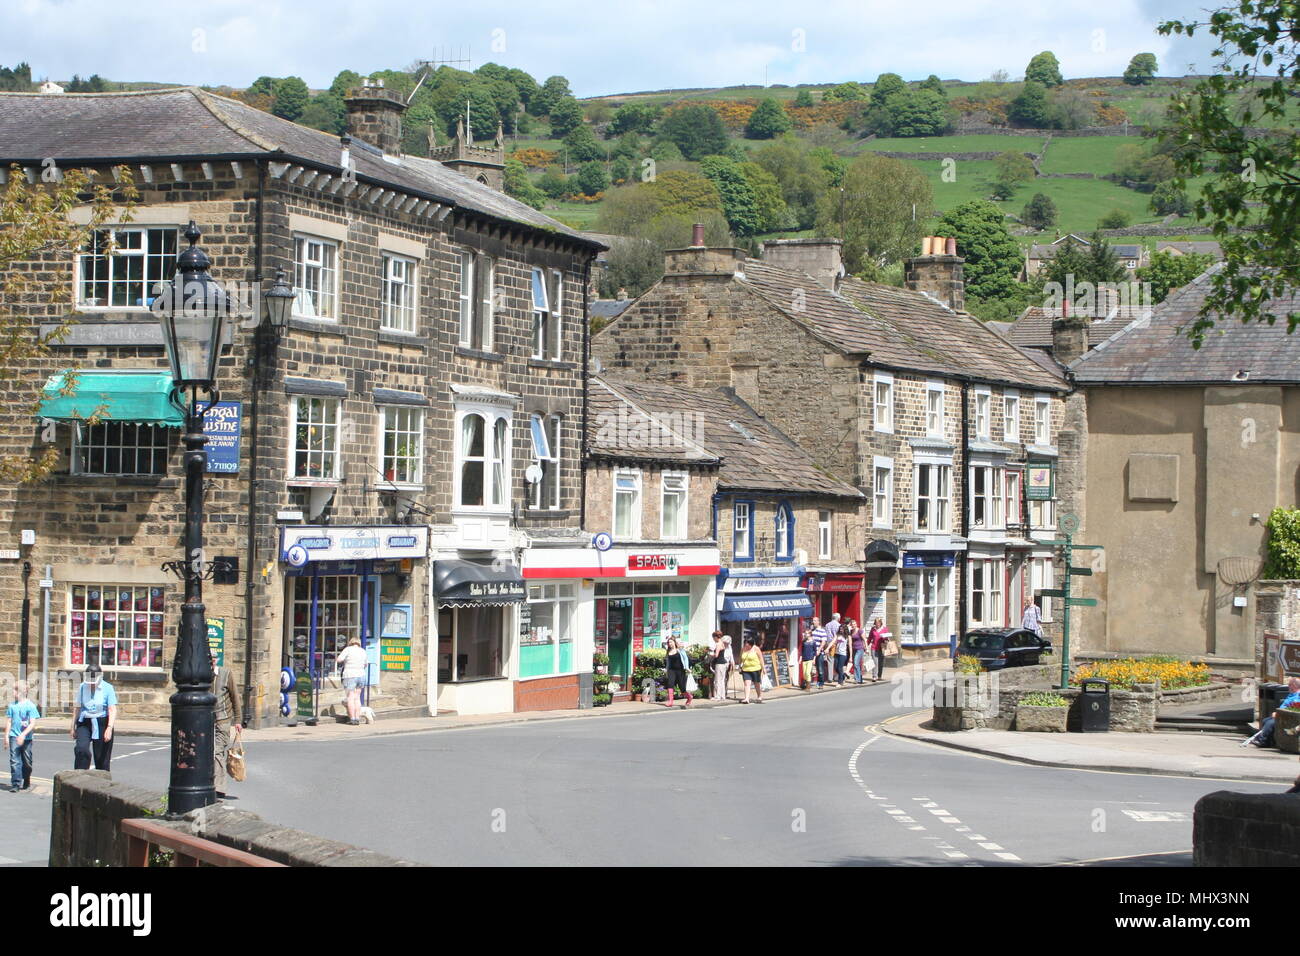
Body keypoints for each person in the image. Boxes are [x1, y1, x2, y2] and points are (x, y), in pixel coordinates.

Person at [71, 663, 116, 771]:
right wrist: (72, 727)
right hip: (85, 721)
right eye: (89, 681)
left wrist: (109, 728)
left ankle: (102, 780)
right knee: (81, 749)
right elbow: (77, 707)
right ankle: (80, 775)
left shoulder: (108, 688)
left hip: (102, 722)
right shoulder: (82, 687)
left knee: (101, 759)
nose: (91, 684)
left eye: (93, 681)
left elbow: (112, 709)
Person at [211, 650, 242, 798]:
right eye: (209, 660)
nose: (211, 662)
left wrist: (238, 721)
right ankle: (212, 784)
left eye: (213, 659)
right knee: (210, 753)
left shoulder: (226, 674)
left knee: (217, 752)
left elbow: (235, 697)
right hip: (206, 722)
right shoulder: (203, 676)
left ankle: (219, 788)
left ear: (216, 660)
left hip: (223, 720)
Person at [1242, 677, 1300, 748]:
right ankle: (1269, 741)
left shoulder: (1298, 696)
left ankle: (1262, 741)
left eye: (1289, 684)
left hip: (1288, 717)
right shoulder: (1291, 694)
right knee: (1265, 720)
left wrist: (1279, 714)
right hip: (1281, 715)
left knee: (1270, 723)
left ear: (1294, 685)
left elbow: (1293, 708)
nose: (1288, 686)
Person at [6, 680, 40, 793]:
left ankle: (26, 778)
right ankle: (15, 784)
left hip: (27, 738)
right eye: (13, 689)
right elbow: (9, 722)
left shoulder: (31, 706)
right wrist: (6, 737)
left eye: (16, 689)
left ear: (23, 691)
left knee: (27, 762)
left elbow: (32, 723)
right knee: (14, 761)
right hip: (13, 737)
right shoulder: (12, 706)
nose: (13, 692)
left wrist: (23, 734)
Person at [335, 636, 369, 726]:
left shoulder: (348, 649)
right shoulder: (363, 651)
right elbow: (366, 664)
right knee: (357, 698)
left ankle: (352, 719)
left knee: (350, 698)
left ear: (351, 642)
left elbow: (339, 660)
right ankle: (357, 718)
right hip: (361, 675)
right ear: (359, 643)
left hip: (350, 675)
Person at [663, 637, 693, 708]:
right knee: (670, 684)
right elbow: (668, 662)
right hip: (671, 670)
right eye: (669, 642)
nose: (670, 644)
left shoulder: (680, 650)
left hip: (680, 670)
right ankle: (670, 702)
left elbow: (685, 658)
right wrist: (666, 669)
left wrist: (687, 667)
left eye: (671, 642)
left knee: (682, 688)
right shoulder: (668, 651)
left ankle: (689, 697)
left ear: (674, 642)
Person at [739, 637, 765, 704]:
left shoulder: (756, 648)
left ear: (751, 644)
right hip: (746, 669)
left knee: (757, 684)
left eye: (747, 644)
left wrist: (763, 668)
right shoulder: (743, 649)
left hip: (755, 669)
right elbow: (740, 658)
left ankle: (759, 696)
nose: (746, 645)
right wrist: (739, 666)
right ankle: (746, 698)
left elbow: (761, 658)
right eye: (745, 643)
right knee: (746, 684)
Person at [801, 620, 822, 690]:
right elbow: (802, 650)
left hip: (810, 659)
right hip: (804, 658)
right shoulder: (804, 641)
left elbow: (815, 651)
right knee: (804, 673)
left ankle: (808, 687)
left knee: (807, 672)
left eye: (807, 633)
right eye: (805, 633)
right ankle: (806, 684)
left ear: (810, 634)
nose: (805, 634)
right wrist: (800, 658)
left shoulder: (813, 642)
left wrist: (814, 659)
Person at [710, 633, 732, 701]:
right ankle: (723, 696)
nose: (713, 639)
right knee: (722, 680)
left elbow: (716, 655)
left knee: (717, 680)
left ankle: (718, 696)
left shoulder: (718, 644)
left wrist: (710, 654)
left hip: (719, 663)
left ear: (716, 637)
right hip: (724, 663)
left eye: (713, 638)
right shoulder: (722, 643)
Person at [869, 618, 891, 684]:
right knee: (875, 662)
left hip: (882, 648)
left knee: (880, 662)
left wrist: (886, 639)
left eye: (878, 622)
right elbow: (870, 637)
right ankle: (874, 676)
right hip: (874, 647)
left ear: (881, 623)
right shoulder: (873, 629)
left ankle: (879, 675)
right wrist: (866, 646)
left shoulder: (884, 629)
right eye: (876, 622)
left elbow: (887, 638)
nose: (877, 624)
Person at [849, 619, 870, 684]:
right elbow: (850, 641)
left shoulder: (860, 631)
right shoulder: (851, 631)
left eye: (854, 624)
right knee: (856, 664)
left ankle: (857, 679)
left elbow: (864, 639)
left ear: (856, 624)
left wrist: (867, 649)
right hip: (854, 649)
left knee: (856, 663)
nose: (853, 625)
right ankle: (859, 679)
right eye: (852, 624)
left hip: (860, 649)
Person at [833, 618, 850, 685]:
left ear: (845, 629)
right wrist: (828, 648)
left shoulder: (848, 637)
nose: (840, 630)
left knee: (840, 667)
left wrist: (851, 656)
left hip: (843, 654)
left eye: (842, 629)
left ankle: (840, 682)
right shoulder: (837, 635)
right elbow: (833, 642)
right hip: (836, 653)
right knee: (836, 668)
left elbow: (850, 646)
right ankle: (843, 676)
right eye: (840, 629)